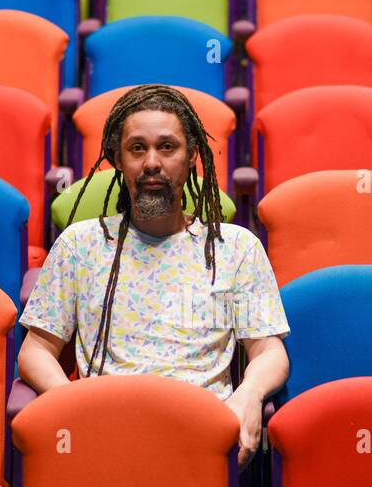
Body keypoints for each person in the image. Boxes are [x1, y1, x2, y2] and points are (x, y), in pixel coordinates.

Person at [18, 84, 290, 465]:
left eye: (167, 147)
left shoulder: (235, 248)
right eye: (137, 148)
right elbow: (36, 351)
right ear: (118, 158)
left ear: (192, 155)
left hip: (201, 436)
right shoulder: (80, 245)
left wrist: (248, 396)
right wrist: (69, 403)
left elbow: (268, 351)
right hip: (103, 433)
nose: (151, 163)